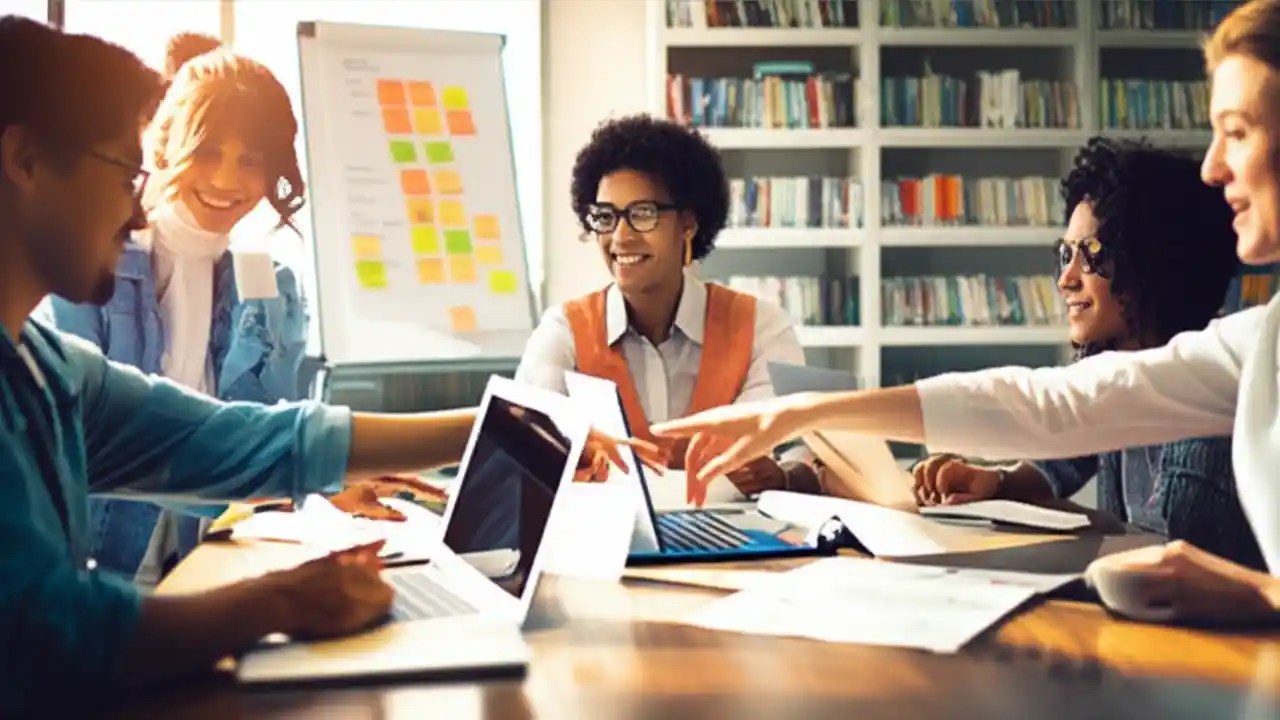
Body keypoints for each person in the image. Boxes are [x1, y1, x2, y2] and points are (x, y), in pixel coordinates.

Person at [0, 18, 643, 712]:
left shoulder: (50, 370)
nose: (136, 207)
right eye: (125, 173)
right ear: (27, 161)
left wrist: (511, 426)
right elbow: (49, 633)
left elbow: (242, 436)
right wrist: (281, 601)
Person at [653, 0, 1280, 625]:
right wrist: (797, 412)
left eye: (1238, 131)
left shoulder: (1231, 374)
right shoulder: (1255, 342)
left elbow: (1179, 550)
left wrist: (1259, 595)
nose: (1211, 166)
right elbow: (1052, 407)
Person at [910, 138, 1266, 571]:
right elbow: (1060, 452)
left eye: (1090, 254)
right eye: (1065, 254)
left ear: (1153, 262)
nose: (1065, 279)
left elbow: (1192, 557)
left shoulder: (1221, 384)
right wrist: (994, 481)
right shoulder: (1113, 369)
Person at [47, 47, 313, 585]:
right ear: (166, 146)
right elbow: (84, 447)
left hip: (207, 570)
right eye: (208, 150)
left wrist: (316, 473)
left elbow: (266, 440)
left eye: (251, 160)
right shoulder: (95, 264)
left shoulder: (271, 287)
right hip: (92, 577)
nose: (226, 179)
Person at [515, 114, 828, 504]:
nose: (621, 236)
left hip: (739, 549)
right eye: (605, 217)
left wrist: (779, 476)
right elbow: (527, 447)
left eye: (643, 213)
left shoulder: (761, 327)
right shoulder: (563, 331)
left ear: (688, 224)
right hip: (610, 546)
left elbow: (804, 450)